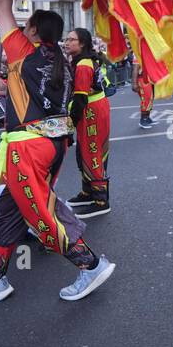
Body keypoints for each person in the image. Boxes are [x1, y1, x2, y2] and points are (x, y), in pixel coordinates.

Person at [0, 0, 114, 302]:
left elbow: (1, 7)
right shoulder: (60, 60)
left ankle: (90, 265)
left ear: (32, 30)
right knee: (11, 212)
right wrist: (6, 87)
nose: (19, 28)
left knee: (41, 213)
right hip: (52, 144)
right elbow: (42, 97)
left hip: (28, 148)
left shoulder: (23, 51)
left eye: (25, 25)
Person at [64, 27, 112, 218]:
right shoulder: (82, 60)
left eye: (71, 40)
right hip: (93, 108)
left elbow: (81, 98)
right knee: (84, 151)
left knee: (92, 151)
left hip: (91, 110)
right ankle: (88, 192)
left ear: (82, 43)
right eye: (66, 39)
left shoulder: (83, 64)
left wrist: (71, 124)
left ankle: (101, 200)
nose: (67, 43)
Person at [134, 58, 154, 128]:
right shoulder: (137, 54)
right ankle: (143, 120)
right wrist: (134, 84)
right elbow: (135, 69)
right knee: (146, 99)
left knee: (150, 99)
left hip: (148, 79)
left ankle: (147, 118)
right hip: (142, 79)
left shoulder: (147, 53)